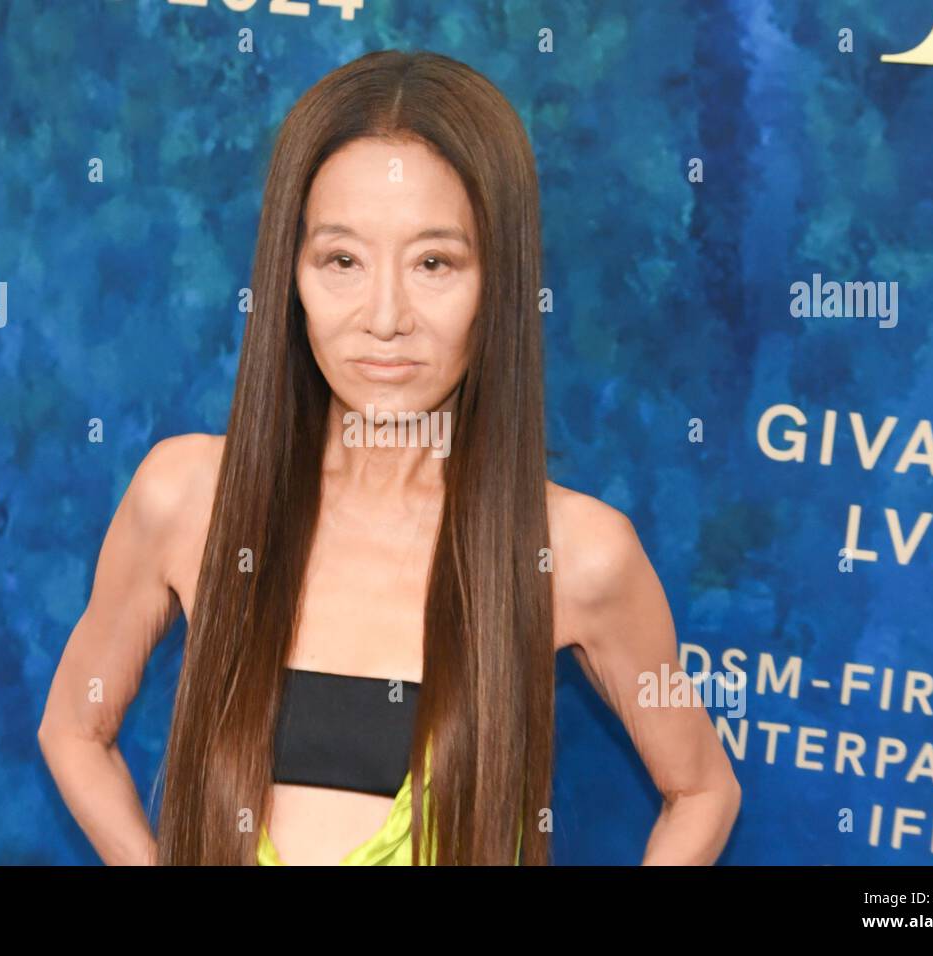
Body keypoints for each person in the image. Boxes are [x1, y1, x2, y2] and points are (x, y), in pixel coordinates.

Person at [37, 49, 741, 866]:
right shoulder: (187, 496)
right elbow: (73, 728)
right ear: (290, 274)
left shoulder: (574, 553)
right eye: (342, 260)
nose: (384, 317)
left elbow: (702, 790)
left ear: (499, 285)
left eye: (434, 263)